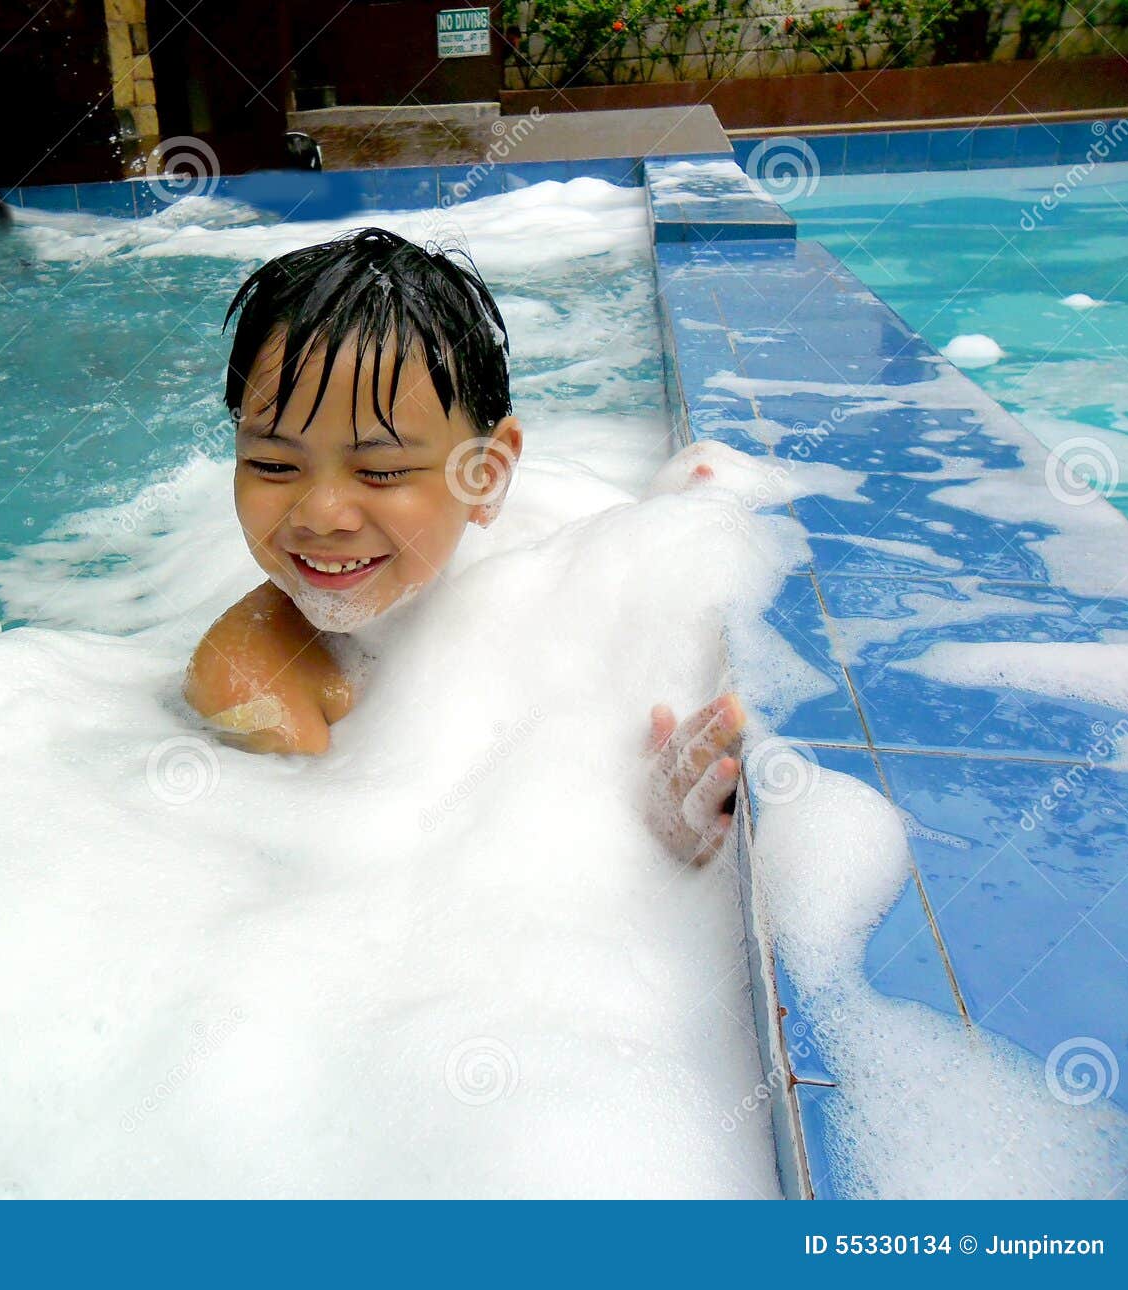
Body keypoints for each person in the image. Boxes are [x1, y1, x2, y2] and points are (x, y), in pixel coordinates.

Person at [183, 226, 743, 864]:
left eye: (383, 472)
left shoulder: (566, 532)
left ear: (486, 476)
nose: (322, 514)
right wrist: (645, 838)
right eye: (275, 466)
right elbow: (342, 880)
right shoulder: (251, 677)